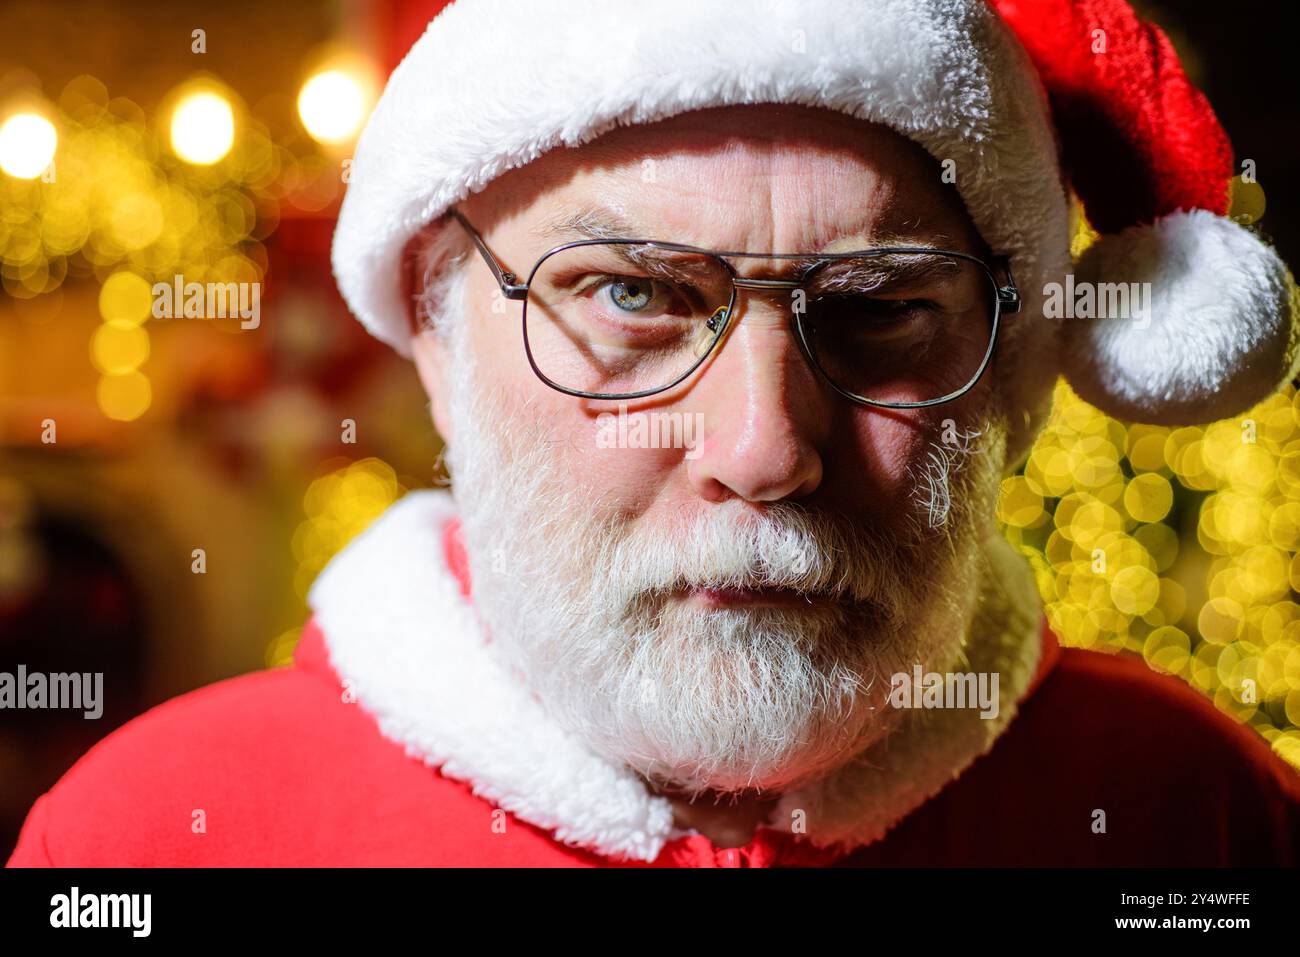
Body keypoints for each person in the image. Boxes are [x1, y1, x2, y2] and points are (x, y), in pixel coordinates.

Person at [10, 0, 1300, 867]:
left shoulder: (1194, 818)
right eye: (632, 294)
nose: (763, 448)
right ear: (438, 333)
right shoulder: (149, 843)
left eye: (884, 310)